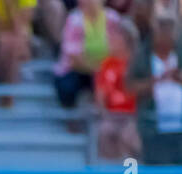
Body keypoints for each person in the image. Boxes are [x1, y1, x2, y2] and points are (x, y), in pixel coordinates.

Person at [129, 11, 182, 162]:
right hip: (152, 128)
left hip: (180, 130)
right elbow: (130, 86)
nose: (166, 31)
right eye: (162, 27)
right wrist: (154, 82)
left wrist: (178, 78)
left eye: (170, 27)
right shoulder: (142, 56)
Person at [53, 0, 123, 107]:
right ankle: (71, 119)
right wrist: (97, 70)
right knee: (68, 86)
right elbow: (74, 58)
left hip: (103, 69)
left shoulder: (113, 19)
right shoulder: (74, 20)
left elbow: (119, 49)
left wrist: (103, 71)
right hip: (77, 71)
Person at [95, 22, 140, 156]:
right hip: (111, 115)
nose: (110, 40)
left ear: (126, 40)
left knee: (128, 137)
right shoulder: (106, 63)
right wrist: (103, 114)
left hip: (134, 116)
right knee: (105, 132)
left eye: (114, 37)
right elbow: (100, 95)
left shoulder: (137, 62)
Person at [0, 0, 36, 95]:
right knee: (8, 41)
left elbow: (22, 24)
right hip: (2, 36)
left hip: (20, 36)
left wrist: (10, 7)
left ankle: (7, 92)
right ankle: (25, 60)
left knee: (15, 39)